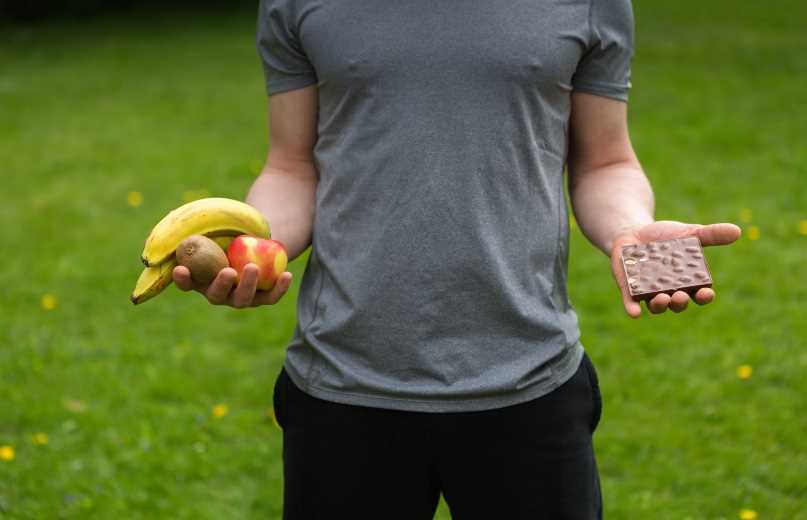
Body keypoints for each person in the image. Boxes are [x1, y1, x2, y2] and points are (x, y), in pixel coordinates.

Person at [173, 0, 741, 517]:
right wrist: (253, 253)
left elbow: (606, 162)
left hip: (530, 382)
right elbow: (291, 167)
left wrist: (631, 229)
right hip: (342, 390)